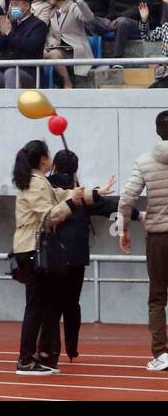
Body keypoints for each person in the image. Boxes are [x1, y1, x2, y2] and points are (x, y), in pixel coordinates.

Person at [10, 139, 113, 376]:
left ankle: (33, 357)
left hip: (32, 248)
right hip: (32, 248)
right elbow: (49, 216)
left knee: (39, 305)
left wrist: (95, 192)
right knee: (36, 306)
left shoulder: (39, 181)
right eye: (47, 155)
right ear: (43, 160)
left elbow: (63, 193)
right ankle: (25, 360)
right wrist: (71, 202)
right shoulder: (36, 183)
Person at [47, 149, 126, 362]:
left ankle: (50, 350)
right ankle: (72, 347)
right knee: (72, 303)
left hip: (52, 255)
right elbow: (107, 206)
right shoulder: (80, 192)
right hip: (76, 256)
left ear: (54, 165)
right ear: (75, 168)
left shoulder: (46, 187)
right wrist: (131, 211)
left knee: (52, 305)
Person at [118, 109, 168, 372]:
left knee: (158, 298)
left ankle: (161, 353)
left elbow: (127, 198)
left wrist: (124, 228)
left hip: (159, 237)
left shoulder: (145, 160)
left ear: (157, 131)